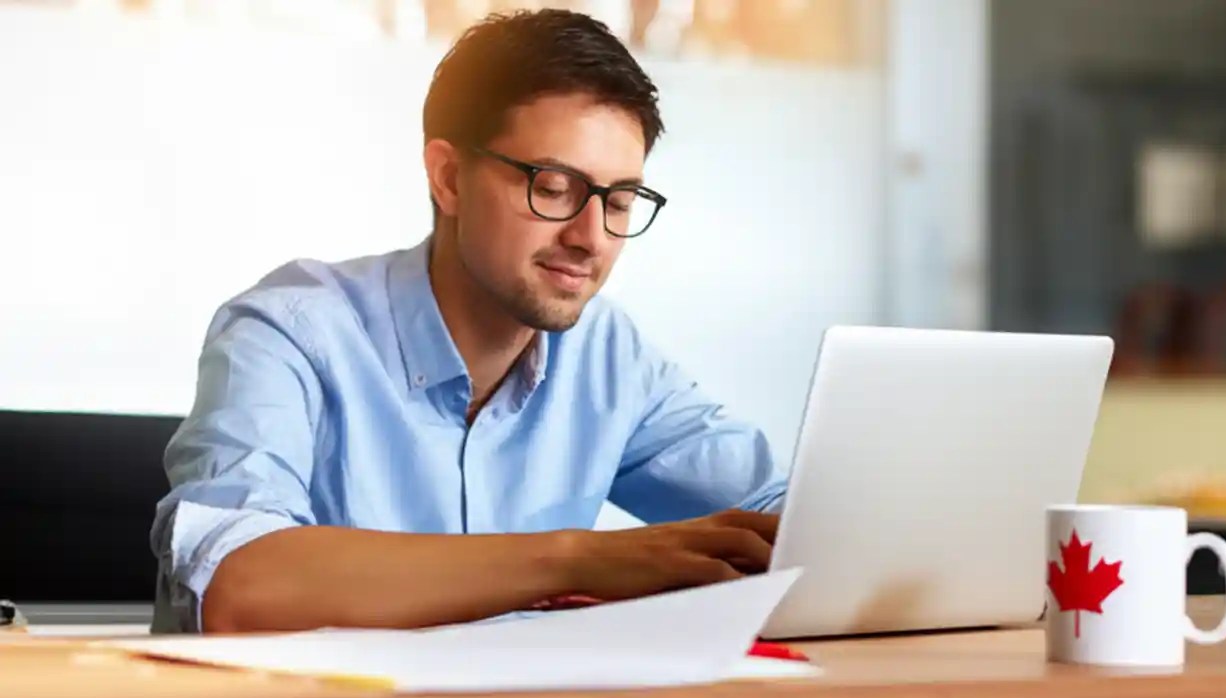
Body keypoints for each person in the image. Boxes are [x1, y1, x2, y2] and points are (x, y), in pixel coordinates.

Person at [150, 8, 787, 634]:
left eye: (619, 201)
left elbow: (789, 520)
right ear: (449, 178)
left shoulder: (608, 357)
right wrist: (578, 560)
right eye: (555, 187)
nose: (590, 237)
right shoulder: (291, 331)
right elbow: (239, 584)